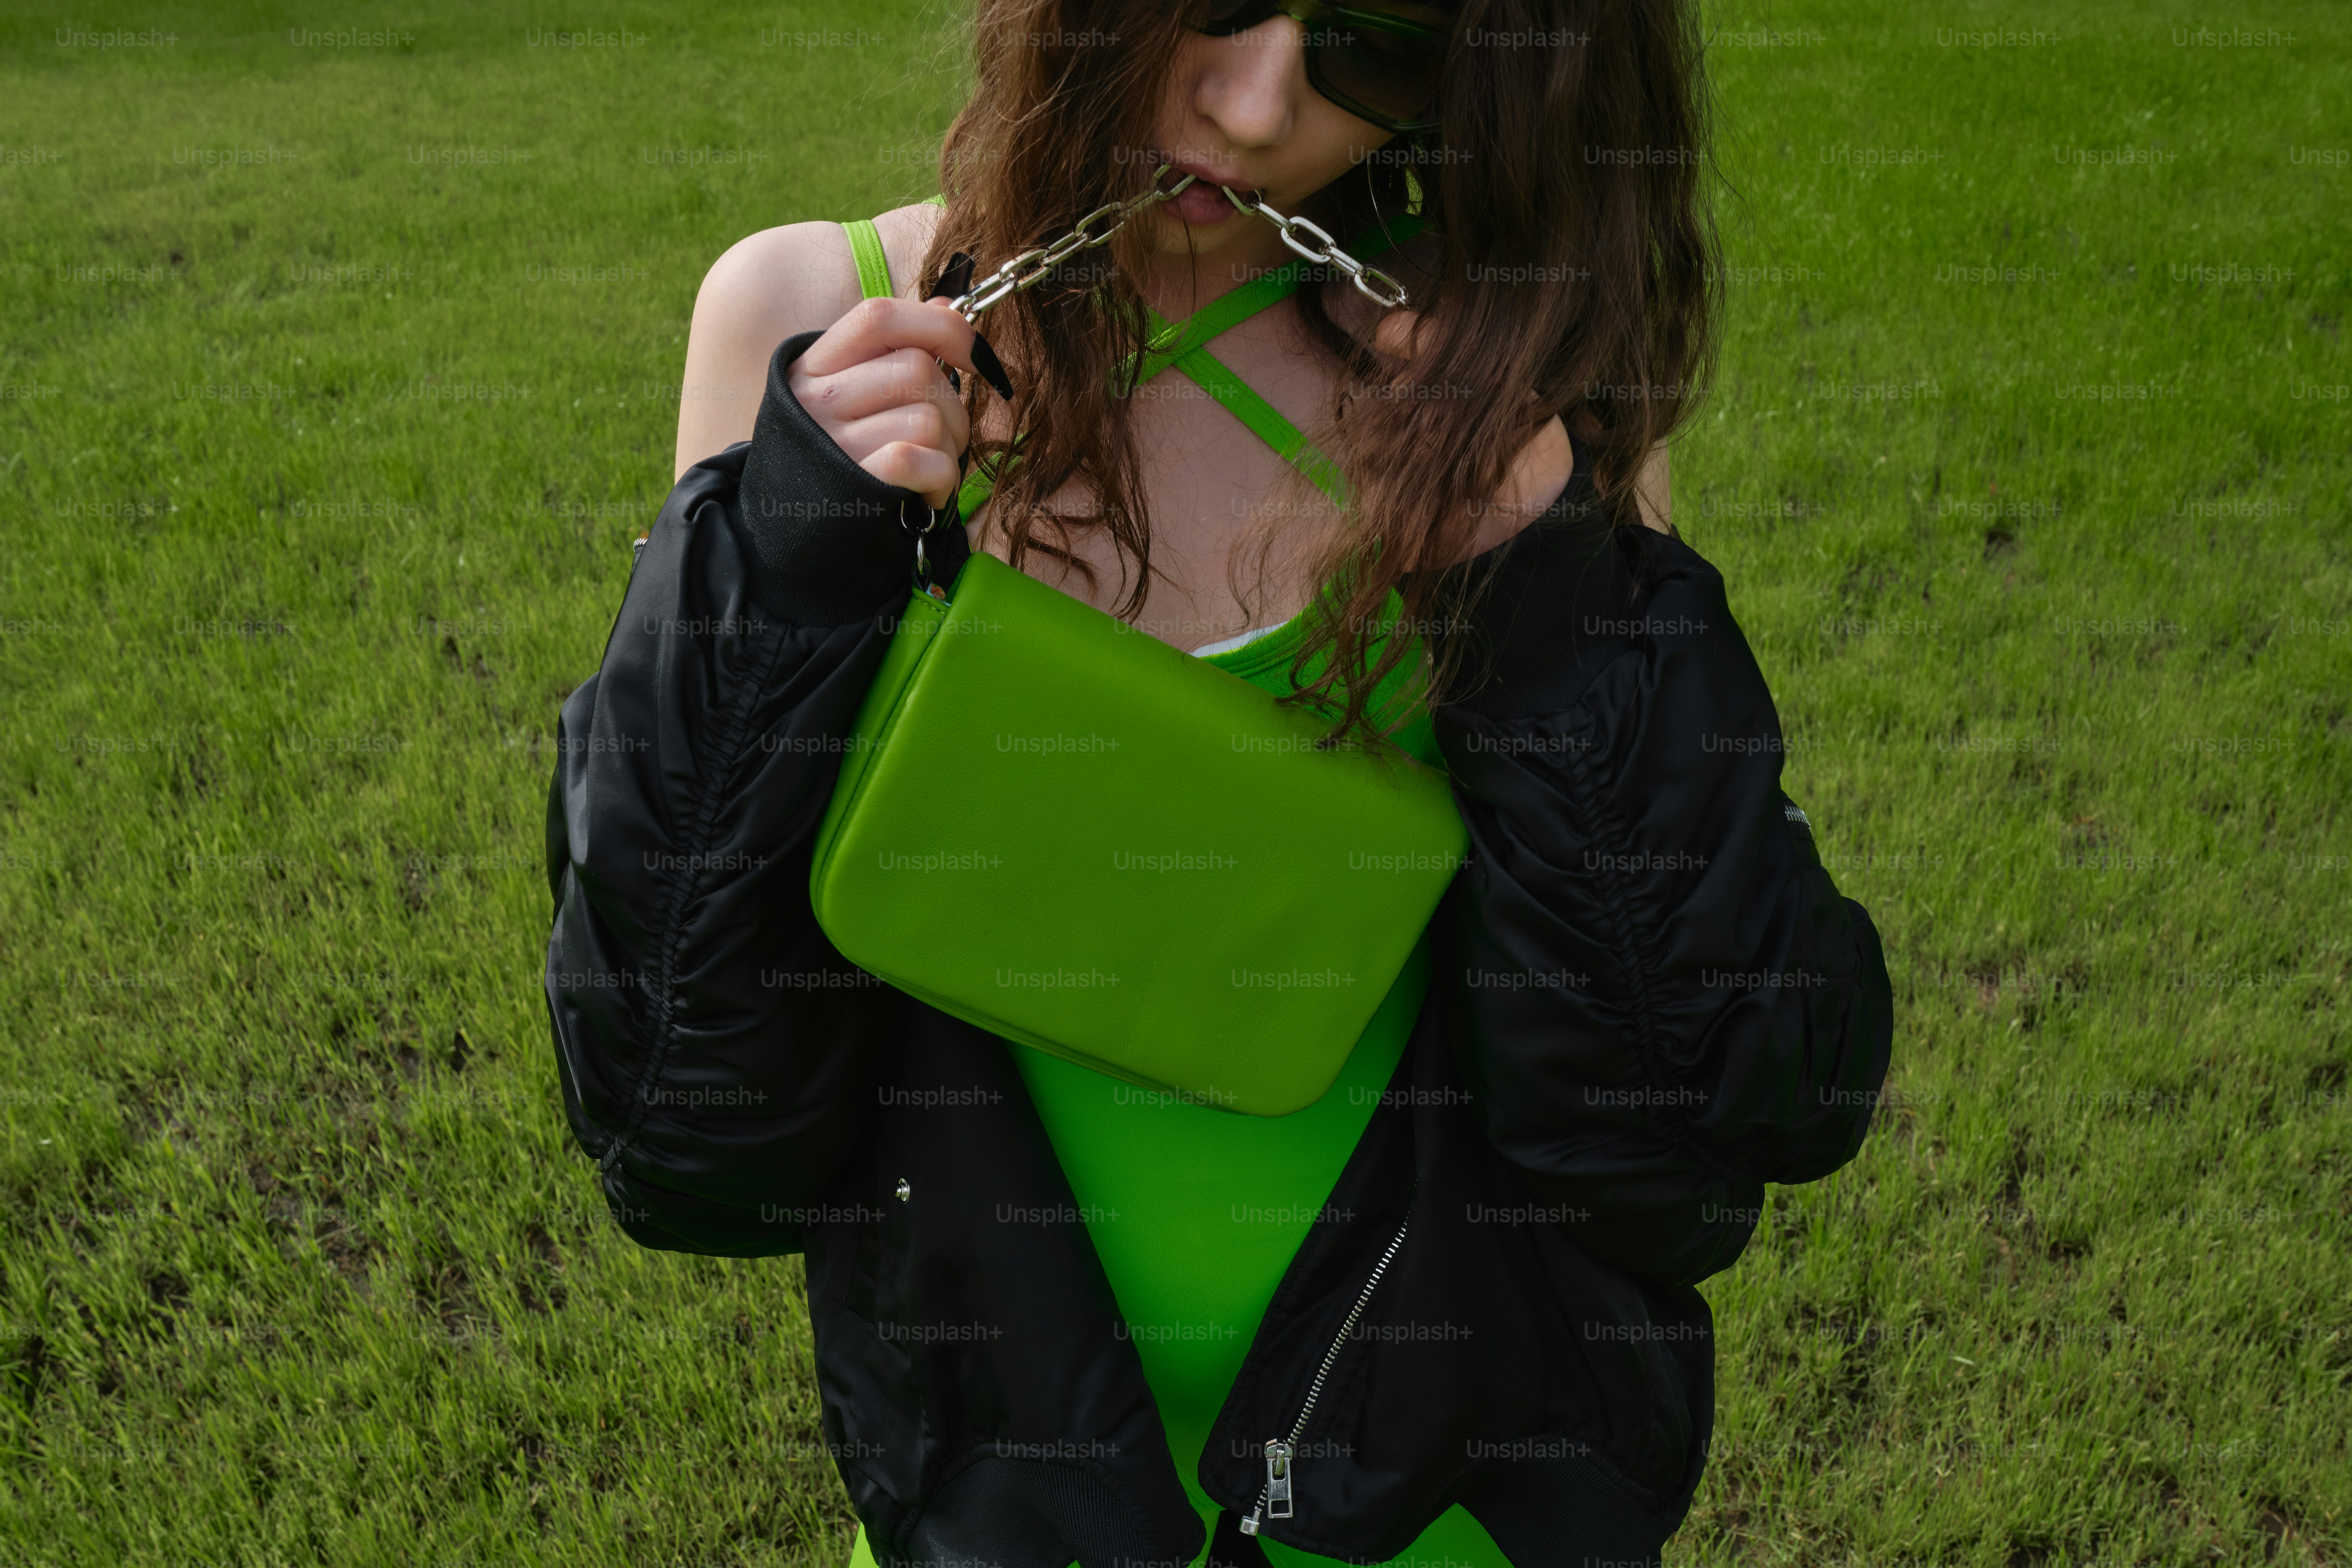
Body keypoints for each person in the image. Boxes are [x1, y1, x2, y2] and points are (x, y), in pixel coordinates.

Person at [543, 3, 1896, 1567]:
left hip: (1437, 1495)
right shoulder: (807, 310)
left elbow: (1697, 1121)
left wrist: (1541, 600)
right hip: (996, 1502)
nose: (1256, 109)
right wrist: (782, 554)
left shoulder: (1510, 372)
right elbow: (677, 1118)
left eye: (1373, 38)